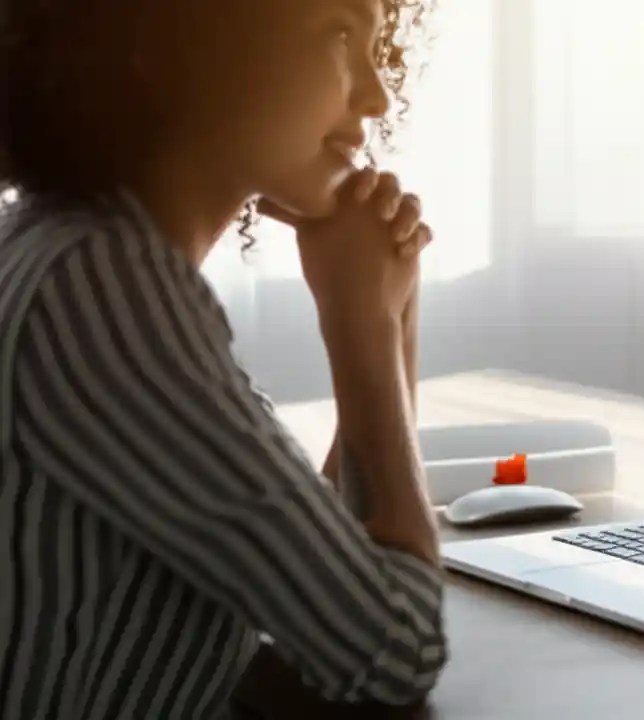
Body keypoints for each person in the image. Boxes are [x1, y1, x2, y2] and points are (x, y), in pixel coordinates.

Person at [0, 0, 447, 717]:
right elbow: (392, 646)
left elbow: (319, 576)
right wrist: (361, 323)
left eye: (376, 44)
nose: (377, 93)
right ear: (186, 40)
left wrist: (393, 308)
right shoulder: (103, 294)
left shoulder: (62, 251)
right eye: (338, 32)